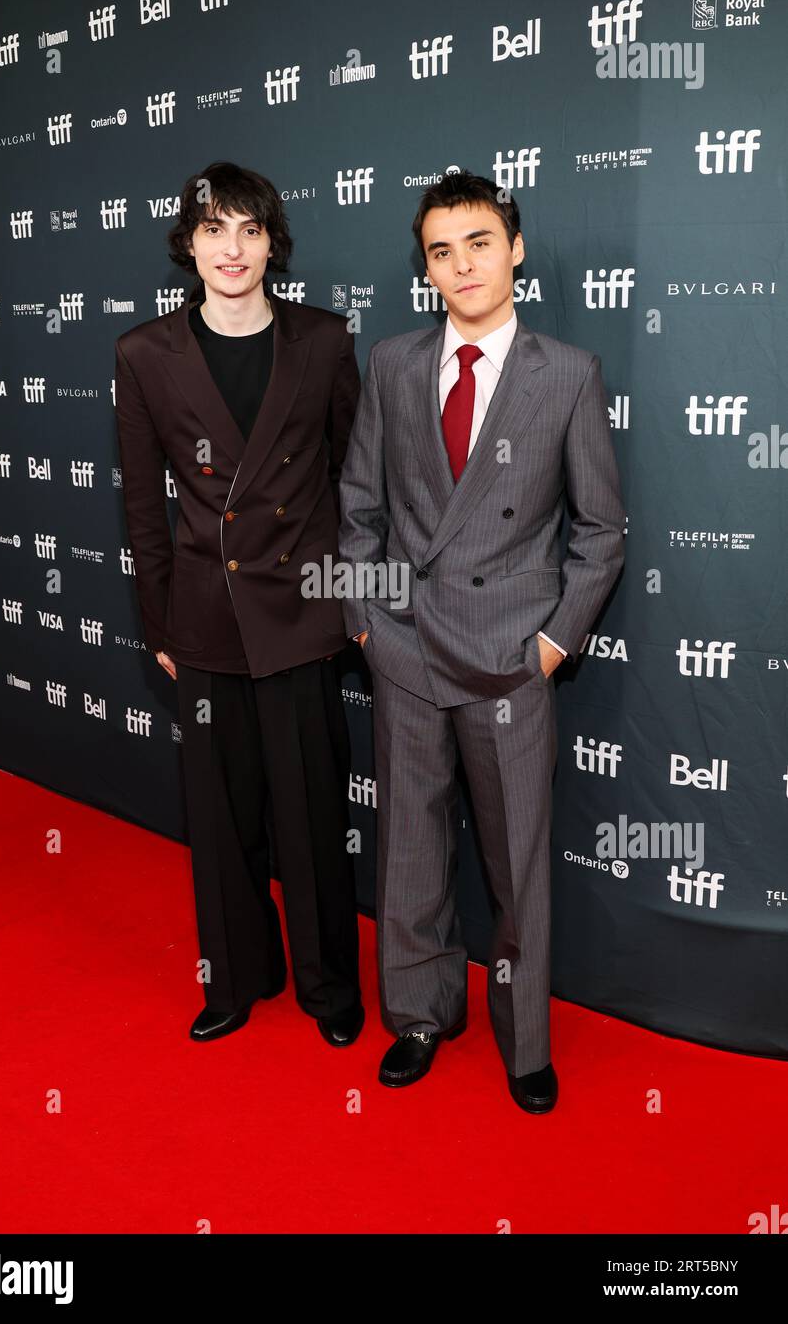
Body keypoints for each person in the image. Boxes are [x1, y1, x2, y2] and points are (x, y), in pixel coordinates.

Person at [338, 169, 625, 1111]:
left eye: (479, 243)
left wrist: (550, 648)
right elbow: (359, 509)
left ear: (516, 249)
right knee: (410, 849)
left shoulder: (568, 374)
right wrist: (365, 623)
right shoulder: (390, 363)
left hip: (511, 660)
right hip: (409, 652)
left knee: (518, 863)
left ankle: (525, 1041)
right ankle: (419, 1015)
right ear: (425, 268)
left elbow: (601, 532)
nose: (462, 266)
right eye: (440, 252)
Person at [114, 161, 364, 1047]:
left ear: (272, 244)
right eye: (214, 229)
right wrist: (162, 623)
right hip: (208, 618)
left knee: (311, 816)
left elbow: (352, 487)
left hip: (301, 613)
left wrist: (353, 607)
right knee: (221, 825)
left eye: (250, 229)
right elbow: (145, 506)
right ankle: (236, 980)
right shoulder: (145, 354)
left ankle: (332, 989)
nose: (232, 247)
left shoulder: (325, 341)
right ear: (188, 243)